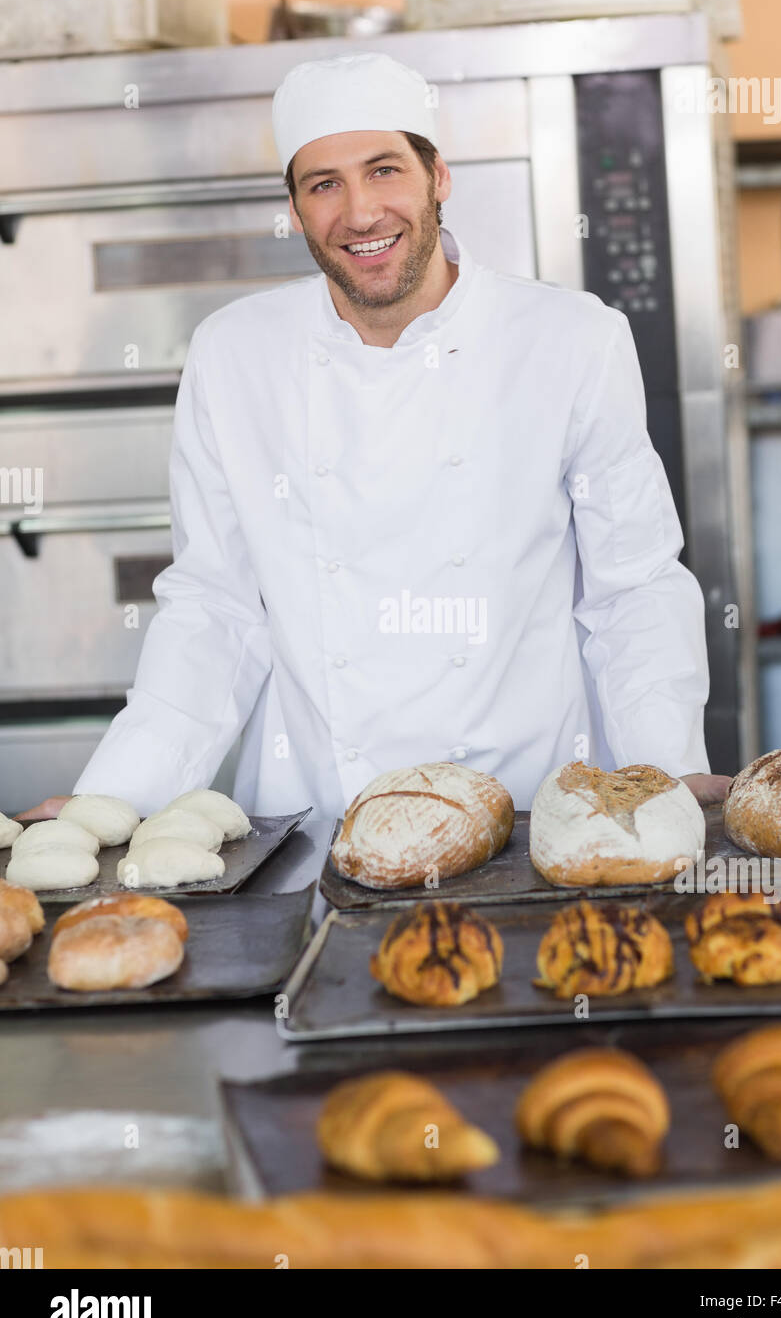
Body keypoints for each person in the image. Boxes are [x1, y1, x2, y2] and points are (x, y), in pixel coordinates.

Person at [19, 52, 729, 824]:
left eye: (384, 170)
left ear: (439, 178)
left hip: (531, 820)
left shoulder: (572, 339)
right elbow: (214, 608)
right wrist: (113, 801)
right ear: (293, 209)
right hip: (321, 818)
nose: (359, 212)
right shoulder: (234, 355)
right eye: (324, 184)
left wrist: (664, 773)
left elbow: (634, 588)